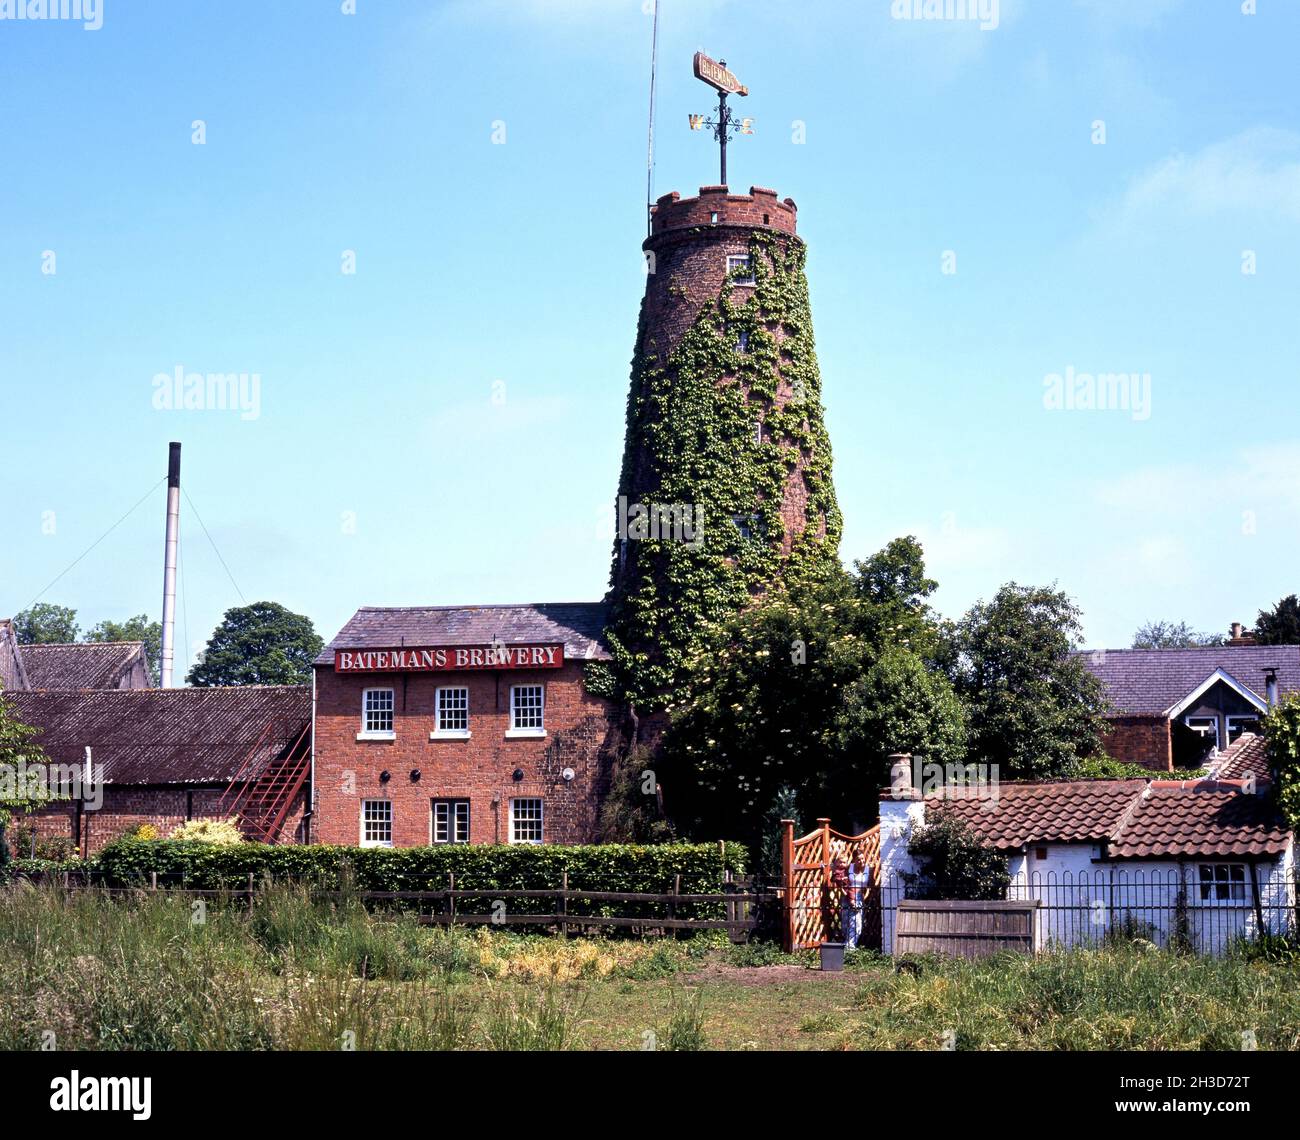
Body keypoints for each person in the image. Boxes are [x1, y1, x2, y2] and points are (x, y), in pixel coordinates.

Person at [841, 849, 871, 950]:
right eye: (858, 859)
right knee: (846, 924)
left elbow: (870, 886)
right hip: (847, 896)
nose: (861, 861)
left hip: (859, 897)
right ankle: (846, 947)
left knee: (856, 924)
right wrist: (845, 893)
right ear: (854, 860)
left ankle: (850, 948)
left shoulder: (867, 869)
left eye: (863, 858)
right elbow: (842, 882)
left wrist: (864, 897)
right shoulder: (849, 868)